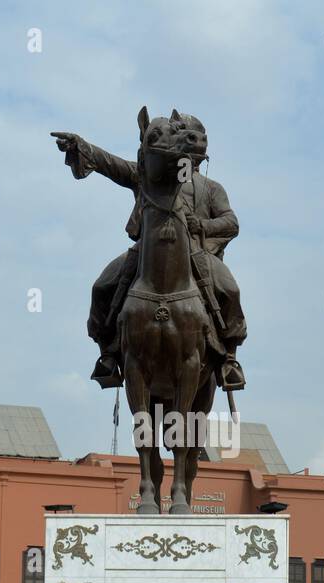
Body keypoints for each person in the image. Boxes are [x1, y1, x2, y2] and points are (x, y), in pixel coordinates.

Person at [52, 111, 248, 391]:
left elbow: (231, 223)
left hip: (195, 254)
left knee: (230, 290)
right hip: (147, 251)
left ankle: (229, 358)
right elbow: (112, 165)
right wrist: (82, 146)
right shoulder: (147, 174)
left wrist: (200, 224)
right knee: (102, 287)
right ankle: (108, 352)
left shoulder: (211, 189)